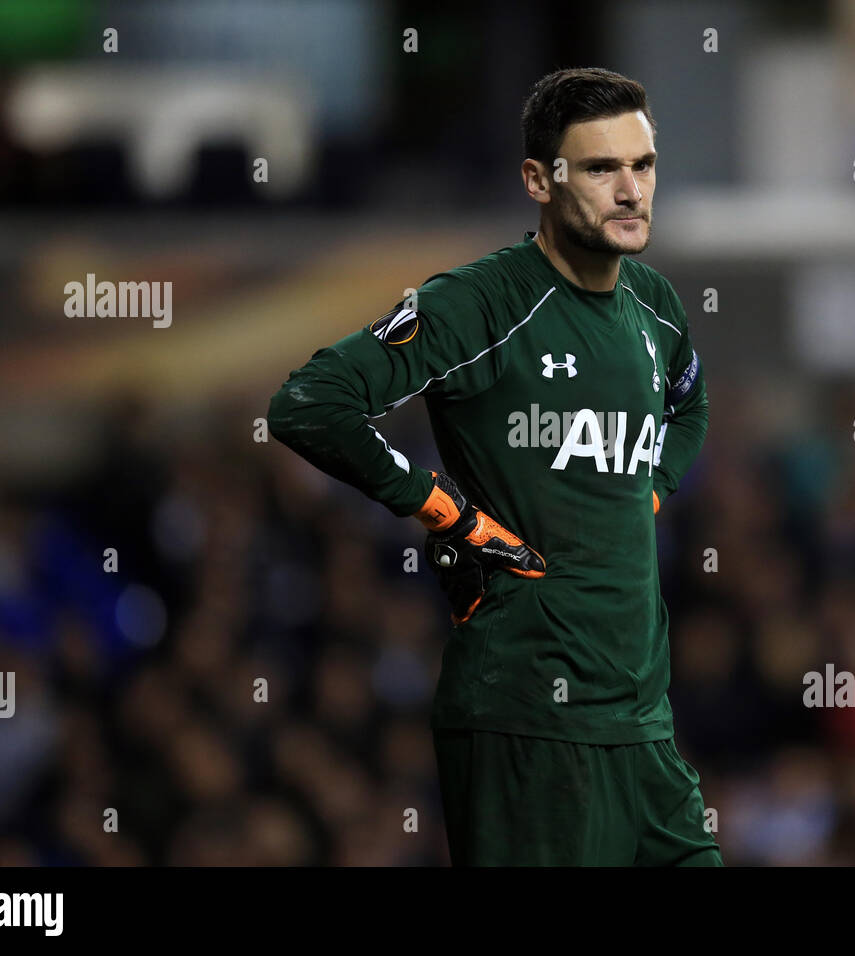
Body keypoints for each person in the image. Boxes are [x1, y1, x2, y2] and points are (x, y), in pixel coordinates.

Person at [268, 66, 715, 865]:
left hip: (644, 728)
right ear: (539, 180)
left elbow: (690, 406)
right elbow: (312, 403)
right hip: (525, 718)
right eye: (601, 167)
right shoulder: (482, 304)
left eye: (642, 165)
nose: (630, 190)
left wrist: (649, 490)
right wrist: (447, 512)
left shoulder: (656, 306)